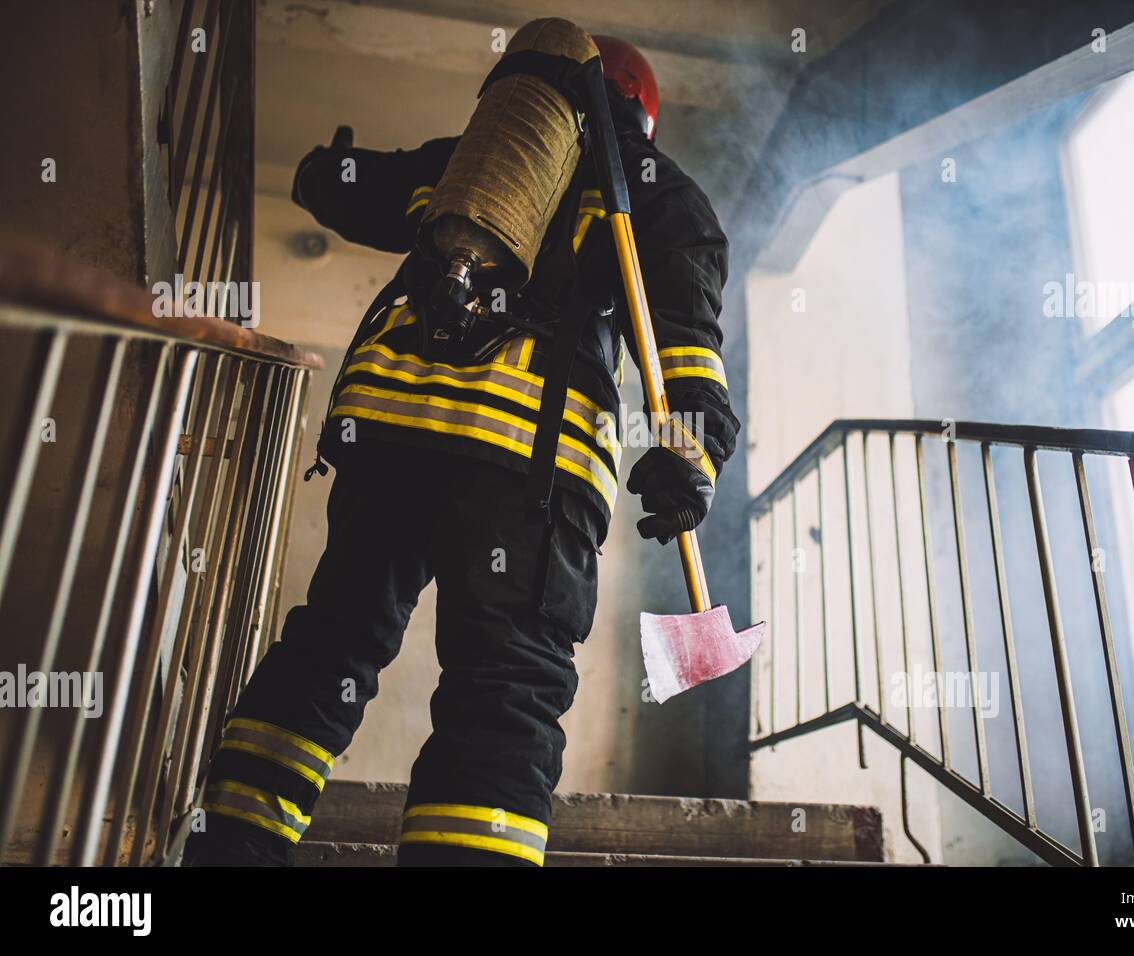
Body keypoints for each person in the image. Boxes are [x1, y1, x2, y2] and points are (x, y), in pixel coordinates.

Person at [183, 33, 739, 867]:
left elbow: (352, 188)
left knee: (331, 646)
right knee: (505, 689)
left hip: (389, 437)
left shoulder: (473, 164)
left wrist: (317, 167)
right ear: (644, 115)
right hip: (526, 467)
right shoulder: (660, 196)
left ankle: (232, 846)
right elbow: (684, 346)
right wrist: (687, 457)